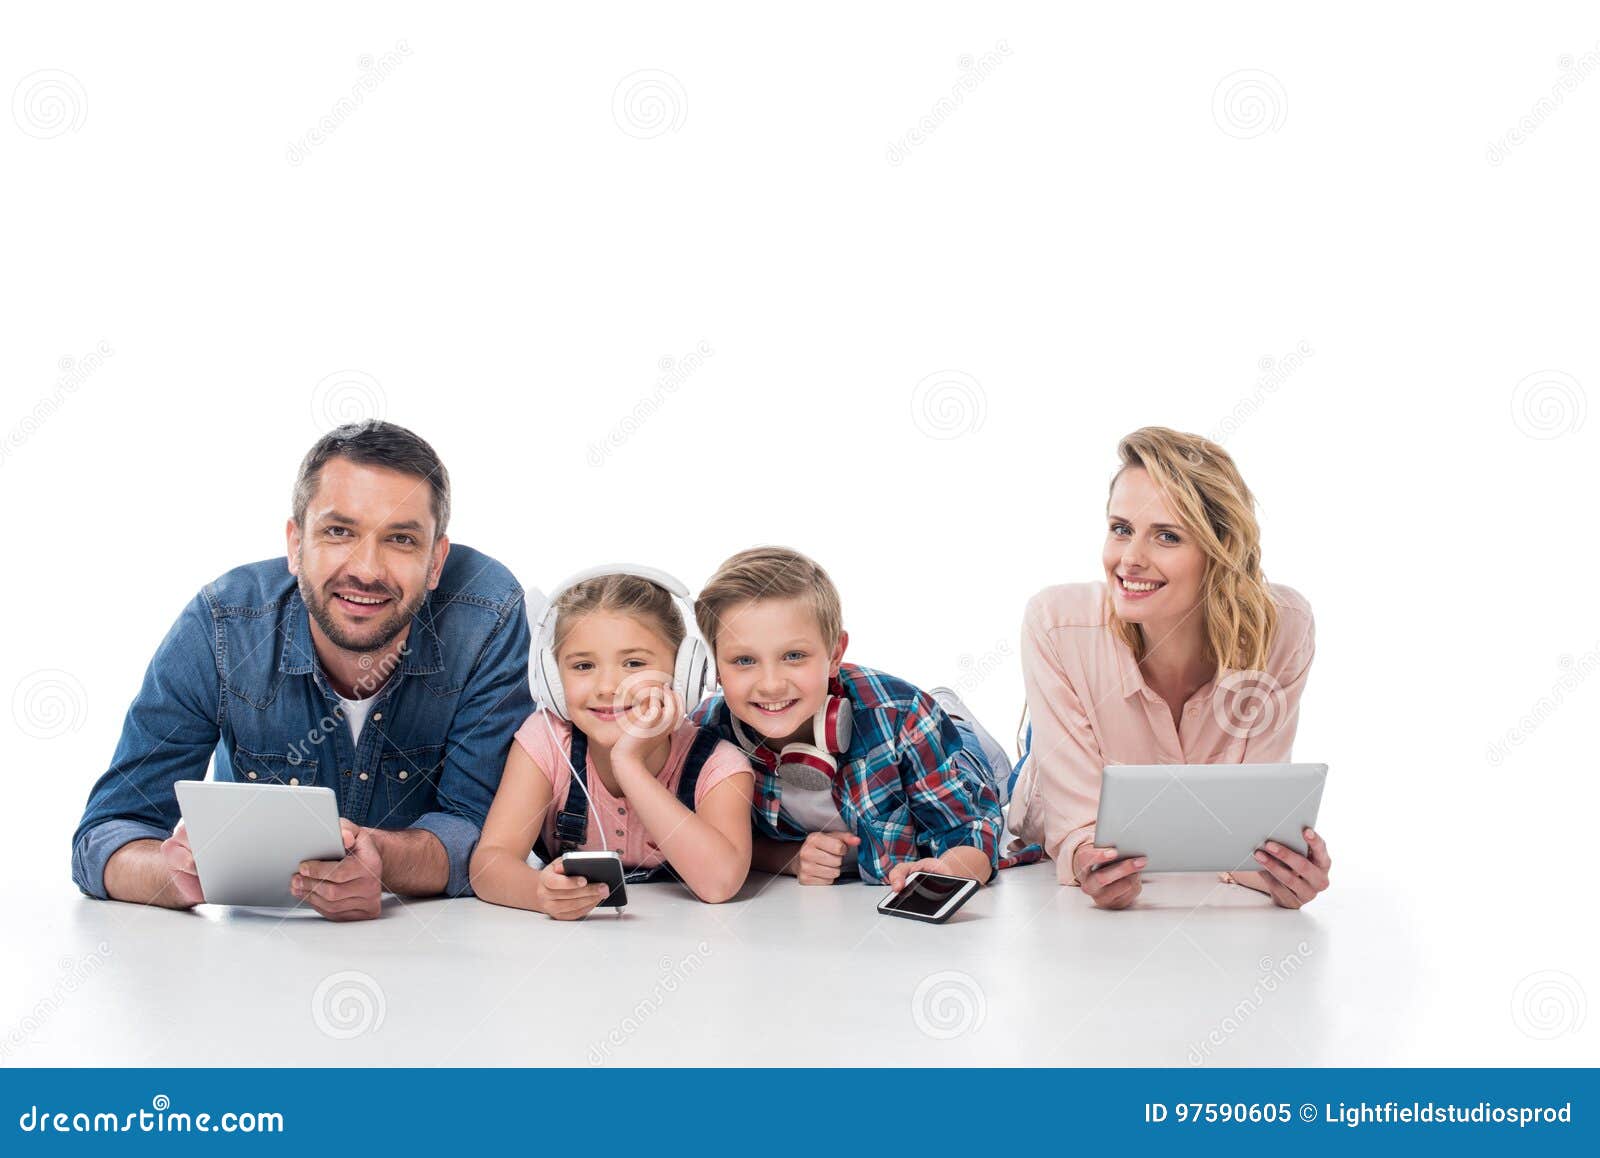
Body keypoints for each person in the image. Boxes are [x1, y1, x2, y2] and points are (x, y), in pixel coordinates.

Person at [70, 421, 534, 920]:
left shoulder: (487, 615)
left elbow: (480, 833)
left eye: (400, 539)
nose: (367, 570)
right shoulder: (223, 625)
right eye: (339, 532)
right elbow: (107, 833)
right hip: (248, 964)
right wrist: (177, 875)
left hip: (437, 965)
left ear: (436, 560)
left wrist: (381, 862)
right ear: (295, 544)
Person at [1008, 427, 1330, 910]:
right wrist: (1084, 861)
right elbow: (1075, 827)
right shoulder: (1056, 623)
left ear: (1219, 552)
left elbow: (1248, 833)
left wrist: (1284, 873)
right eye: (1121, 529)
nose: (1130, 560)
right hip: (1033, 793)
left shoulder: (1284, 627)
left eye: (1167, 536)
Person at [690, 546, 1017, 891]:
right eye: (743, 660)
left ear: (834, 656)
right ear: (714, 672)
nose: (771, 685)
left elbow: (969, 828)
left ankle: (953, 714)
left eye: (794, 655)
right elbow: (709, 844)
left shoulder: (901, 716)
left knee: (986, 773)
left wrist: (950, 869)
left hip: (958, 755)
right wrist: (790, 857)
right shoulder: (707, 735)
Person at [470, 569, 754, 918]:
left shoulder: (718, 765)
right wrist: (539, 894)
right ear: (552, 678)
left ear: (684, 673)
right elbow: (488, 864)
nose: (607, 687)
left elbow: (719, 883)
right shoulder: (546, 741)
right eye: (583, 665)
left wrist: (629, 764)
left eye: (633, 663)